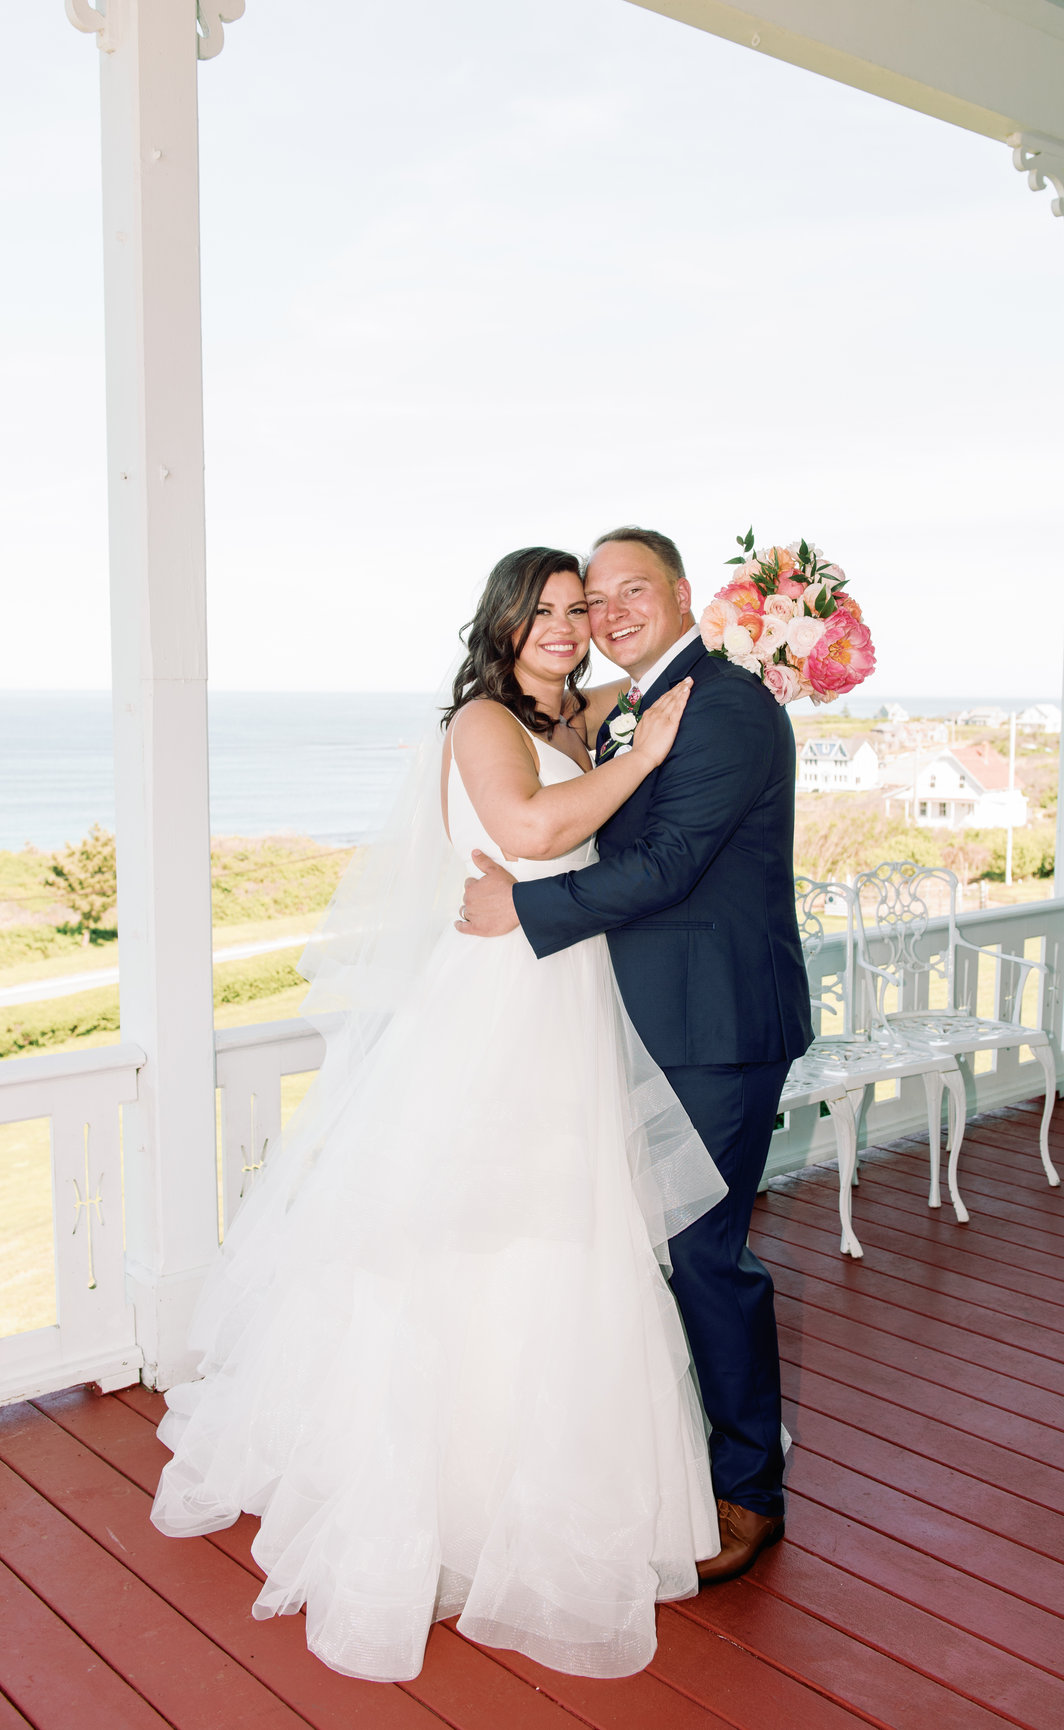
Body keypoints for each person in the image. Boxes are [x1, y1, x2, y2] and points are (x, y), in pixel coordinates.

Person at [151, 546, 730, 1684]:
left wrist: (727, 655)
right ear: (502, 624)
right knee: (473, 1234)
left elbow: (642, 676)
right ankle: (438, 1504)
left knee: (567, 1237)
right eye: (544, 611)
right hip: (502, 998)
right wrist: (647, 754)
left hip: (564, 991)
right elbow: (529, 834)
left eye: (580, 609)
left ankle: (545, 1492)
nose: (566, 626)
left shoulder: (571, 713)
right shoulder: (482, 719)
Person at [460, 526, 814, 1583]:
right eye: (584, 599)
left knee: (705, 1258)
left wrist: (522, 908)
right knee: (648, 1256)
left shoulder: (724, 707)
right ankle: (677, 1460)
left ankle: (749, 1490)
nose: (603, 614)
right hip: (645, 1017)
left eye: (625, 592)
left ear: (681, 593)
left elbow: (662, 866)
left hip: (717, 1027)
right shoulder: (630, 706)